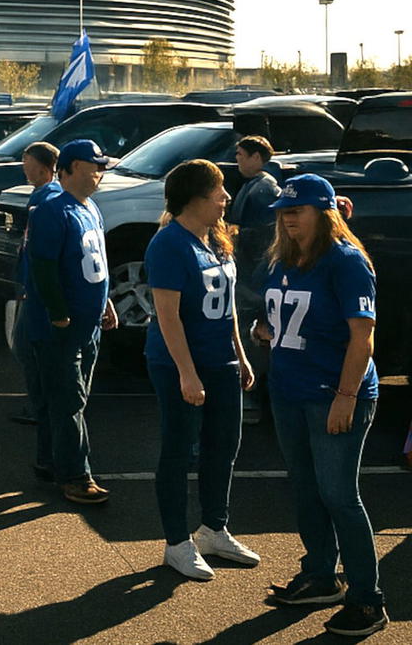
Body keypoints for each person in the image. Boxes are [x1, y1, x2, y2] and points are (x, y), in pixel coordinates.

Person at [254, 174, 389, 636]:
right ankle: (319, 574)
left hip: (333, 395)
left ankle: (368, 601)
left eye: (298, 210)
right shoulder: (283, 259)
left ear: (325, 213)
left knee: (339, 496)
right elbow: (280, 315)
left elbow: (362, 339)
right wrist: (266, 329)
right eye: (283, 212)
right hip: (289, 392)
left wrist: (345, 397)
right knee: (306, 489)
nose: (288, 219)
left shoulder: (346, 262)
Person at [144, 159, 259, 581]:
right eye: (219, 191)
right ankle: (177, 542)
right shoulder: (169, 243)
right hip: (180, 363)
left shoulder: (214, 238)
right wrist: (187, 373)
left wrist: (240, 354)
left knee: (223, 446)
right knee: (178, 451)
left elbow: (226, 303)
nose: (227, 198)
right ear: (195, 197)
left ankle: (214, 528)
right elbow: (168, 317)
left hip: (221, 360)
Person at [19, 140, 120, 504]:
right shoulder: (51, 209)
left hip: (88, 324)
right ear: (73, 167)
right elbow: (42, 266)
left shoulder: (90, 207)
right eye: (95, 166)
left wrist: (106, 302)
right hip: (59, 329)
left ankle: (50, 461)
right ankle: (76, 475)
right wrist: (58, 313)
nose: (101, 173)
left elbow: (95, 263)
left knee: (66, 400)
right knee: (68, 401)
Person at [229, 135, 282, 423]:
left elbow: (263, 238)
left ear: (257, 157)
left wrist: (233, 234)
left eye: (241, 154)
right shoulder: (255, 186)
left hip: (253, 278)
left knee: (255, 341)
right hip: (249, 276)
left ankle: (255, 399)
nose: (237, 159)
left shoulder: (264, 190)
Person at [9, 142, 62, 425]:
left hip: (35, 289)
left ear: (43, 167)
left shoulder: (47, 199)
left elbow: (39, 252)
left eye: (26, 161)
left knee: (28, 347)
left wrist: (29, 287)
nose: (22, 166)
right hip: (29, 284)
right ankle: (40, 402)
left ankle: (40, 405)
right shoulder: (39, 195)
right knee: (25, 345)